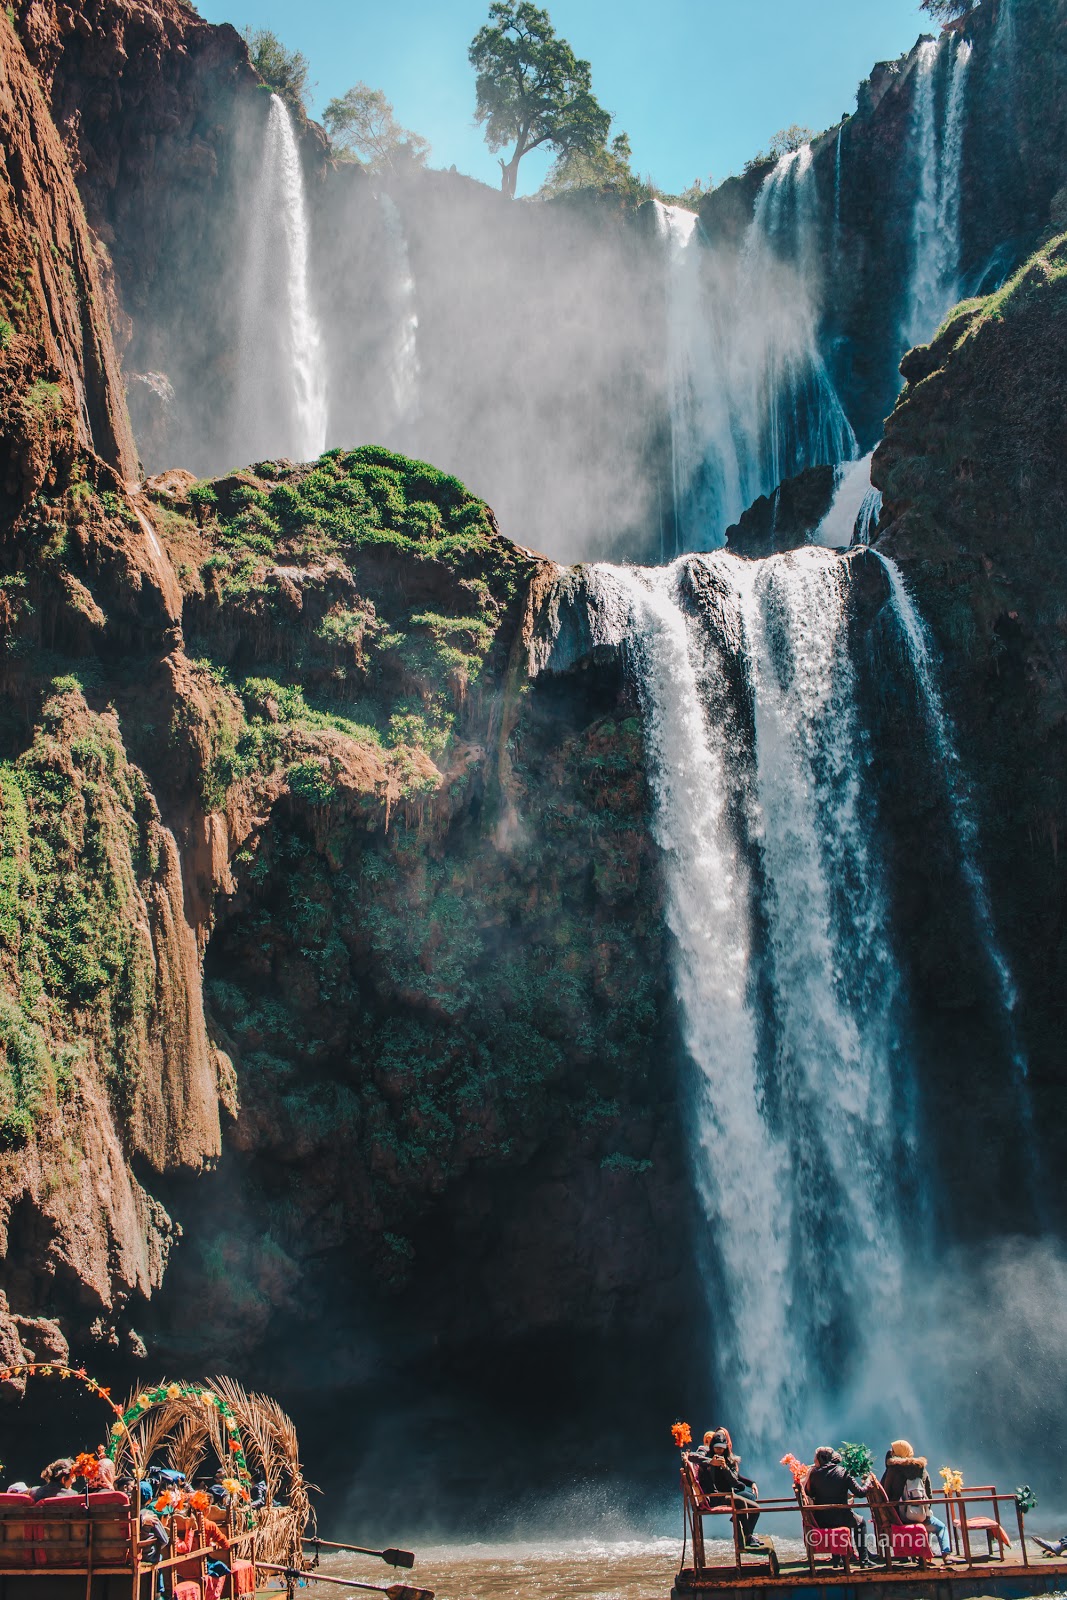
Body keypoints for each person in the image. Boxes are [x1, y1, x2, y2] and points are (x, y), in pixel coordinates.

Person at [881, 1440, 952, 1560]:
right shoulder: (921, 1469)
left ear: (898, 1452)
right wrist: (924, 1512)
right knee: (942, 1528)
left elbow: (886, 1494)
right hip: (921, 1516)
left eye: (893, 1451)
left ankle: (914, 1555)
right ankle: (946, 1554)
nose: (891, 1453)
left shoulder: (892, 1470)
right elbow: (929, 1495)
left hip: (899, 1518)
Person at [693, 1428, 763, 1550]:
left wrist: (725, 1467)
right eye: (717, 1448)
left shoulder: (729, 1459)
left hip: (727, 1493)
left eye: (722, 1448)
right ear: (712, 1446)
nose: (719, 1450)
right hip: (713, 1496)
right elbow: (692, 1457)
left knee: (756, 1508)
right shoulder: (706, 1454)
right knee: (740, 1502)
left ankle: (747, 1536)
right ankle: (748, 1537)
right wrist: (710, 1462)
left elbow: (735, 1481)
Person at [806, 1446, 873, 1567]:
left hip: (821, 1520)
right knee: (861, 1522)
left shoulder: (814, 1474)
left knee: (837, 1516)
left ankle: (837, 1560)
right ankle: (864, 1559)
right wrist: (868, 1482)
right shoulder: (843, 1472)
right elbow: (860, 1493)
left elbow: (809, 1493)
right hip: (841, 1518)